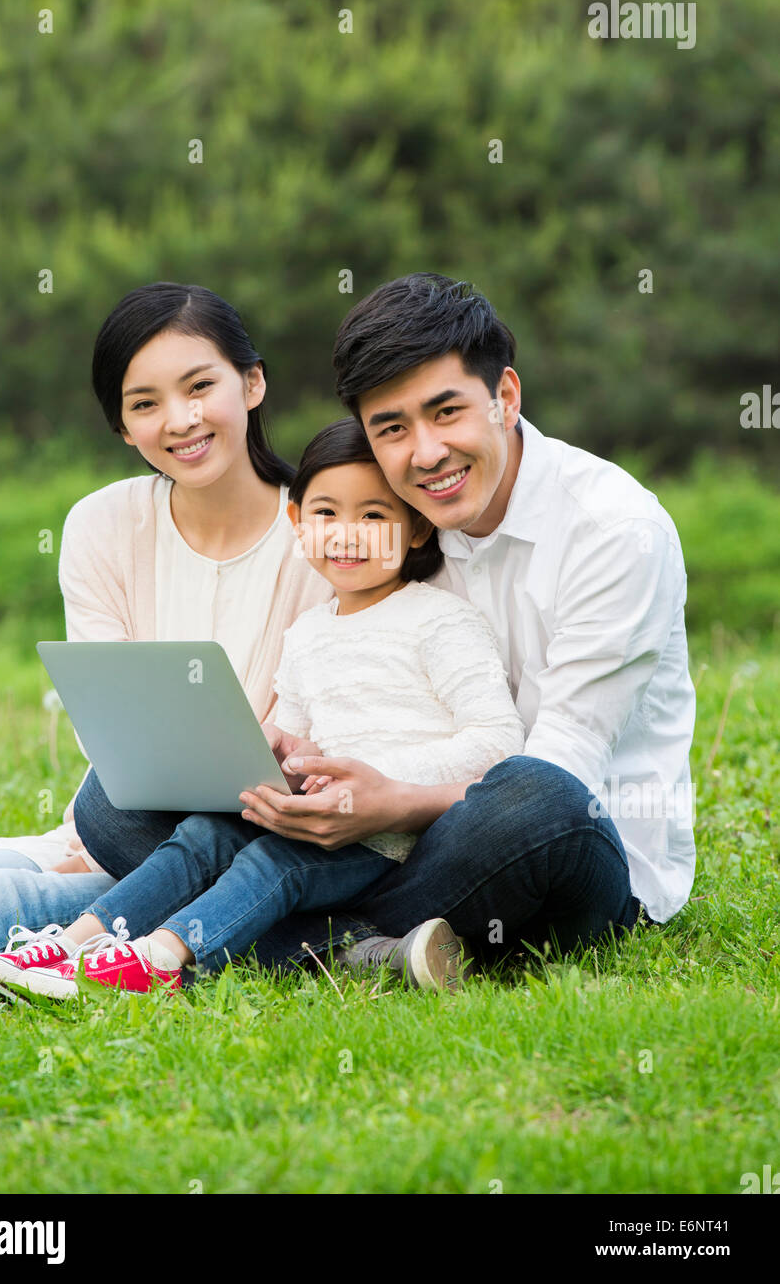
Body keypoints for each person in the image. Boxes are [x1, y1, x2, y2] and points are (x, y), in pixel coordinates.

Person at [207, 272, 697, 974]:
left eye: (446, 412)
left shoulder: (615, 531)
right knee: (117, 806)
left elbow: (562, 765)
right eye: (392, 429)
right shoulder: (401, 528)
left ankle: (265, 927)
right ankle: (370, 946)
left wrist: (394, 803)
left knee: (536, 800)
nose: (426, 453)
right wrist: (294, 761)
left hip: (560, 848)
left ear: (505, 396)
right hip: (380, 845)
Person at [0, 418, 526, 1000]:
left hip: (391, 838)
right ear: (296, 523)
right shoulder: (308, 632)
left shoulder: (440, 619)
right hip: (316, 820)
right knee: (204, 835)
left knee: (274, 862)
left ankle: (155, 960)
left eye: (374, 517)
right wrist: (280, 755)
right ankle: (73, 943)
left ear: (416, 529)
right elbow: (301, 738)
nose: (347, 535)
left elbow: (500, 743)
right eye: (326, 513)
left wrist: (378, 780)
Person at [0, 281, 329, 988]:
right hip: (113, 826)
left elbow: (305, 747)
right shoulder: (104, 525)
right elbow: (110, 734)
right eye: (145, 404)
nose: (180, 420)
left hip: (246, 848)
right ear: (122, 427)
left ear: (253, 383)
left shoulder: (328, 539)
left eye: (200, 386)